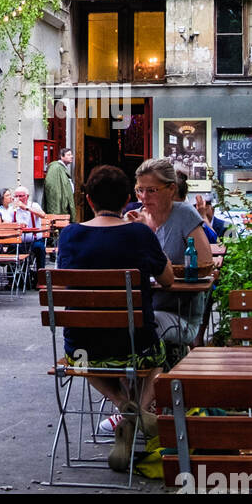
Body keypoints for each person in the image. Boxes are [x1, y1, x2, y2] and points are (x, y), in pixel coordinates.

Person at [57, 165, 174, 472]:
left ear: (88, 200)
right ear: (126, 199)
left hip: (82, 350)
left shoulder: (69, 235)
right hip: (137, 346)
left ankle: (123, 407)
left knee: (78, 359)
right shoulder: (139, 233)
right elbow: (168, 280)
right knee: (158, 359)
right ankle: (136, 412)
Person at [125, 157, 212, 347]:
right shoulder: (133, 217)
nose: (144, 197)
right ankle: (132, 377)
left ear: (171, 189)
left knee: (135, 333)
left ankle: (140, 376)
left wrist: (147, 237)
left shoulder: (184, 214)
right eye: (140, 190)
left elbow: (205, 265)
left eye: (152, 190)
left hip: (180, 313)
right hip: (140, 309)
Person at [12, 185, 47, 280]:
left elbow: (43, 215)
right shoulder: (14, 209)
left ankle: (40, 278)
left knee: (39, 248)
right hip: (20, 242)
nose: (18, 199)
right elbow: (8, 223)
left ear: (27, 196)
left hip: (34, 240)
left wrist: (26, 208)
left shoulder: (33, 205)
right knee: (11, 248)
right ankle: (14, 279)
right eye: (16, 196)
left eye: (21, 196)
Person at [43, 148, 76, 221]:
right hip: (59, 205)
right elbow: (52, 187)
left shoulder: (62, 168)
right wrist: (61, 203)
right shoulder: (55, 168)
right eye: (68, 155)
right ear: (62, 156)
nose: (72, 156)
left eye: (71, 154)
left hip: (64, 204)